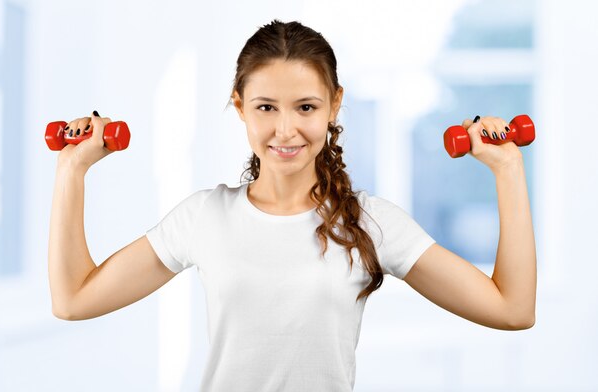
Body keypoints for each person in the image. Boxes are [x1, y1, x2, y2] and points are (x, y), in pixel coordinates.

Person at [48, 19, 536, 392]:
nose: (286, 130)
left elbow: (512, 309)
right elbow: (74, 300)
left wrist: (508, 170)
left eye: (306, 107)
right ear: (239, 106)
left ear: (334, 104)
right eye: (266, 107)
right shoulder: (204, 217)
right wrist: (72, 170)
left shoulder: (370, 224)